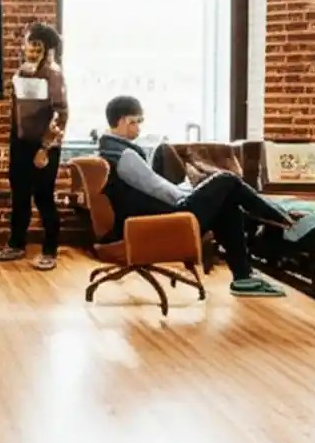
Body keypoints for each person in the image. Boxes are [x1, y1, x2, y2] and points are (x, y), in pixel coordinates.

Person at [96, 95, 301, 297]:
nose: (139, 129)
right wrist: (192, 194)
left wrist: (195, 193)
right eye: (136, 122)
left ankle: (243, 276)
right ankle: (284, 222)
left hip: (145, 219)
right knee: (226, 180)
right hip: (161, 221)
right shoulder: (125, 156)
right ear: (123, 121)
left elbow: (155, 188)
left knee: (227, 203)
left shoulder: (110, 152)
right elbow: (159, 189)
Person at [0, 21, 68, 270]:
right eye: (29, 45)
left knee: (43, 196)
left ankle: (50, 249)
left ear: (48, 49)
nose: (31, 51)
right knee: (20, 195)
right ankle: (16, 244)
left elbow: (60, 114)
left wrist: (45, 147)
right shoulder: (22, 71)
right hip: (20, 142)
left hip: (43, 145)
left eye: (37, 46)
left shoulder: (53, 74)